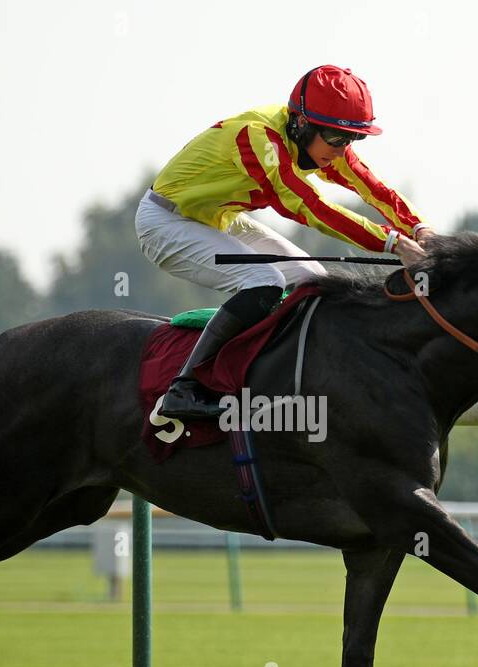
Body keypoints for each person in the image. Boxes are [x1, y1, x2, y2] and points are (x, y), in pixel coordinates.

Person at [136, 64, 436, 420]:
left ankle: (278, 375)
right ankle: (183, 388)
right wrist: (393, 244)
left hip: (218, 218)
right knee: (265, 282)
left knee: (312, 281)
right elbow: (310, 208)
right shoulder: (258, 138)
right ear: (302, 123)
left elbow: (372, 188)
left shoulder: (319, 140)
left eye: (352, 140)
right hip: (166, 221)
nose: (343, 151)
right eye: (337, 139)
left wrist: (421, 229)